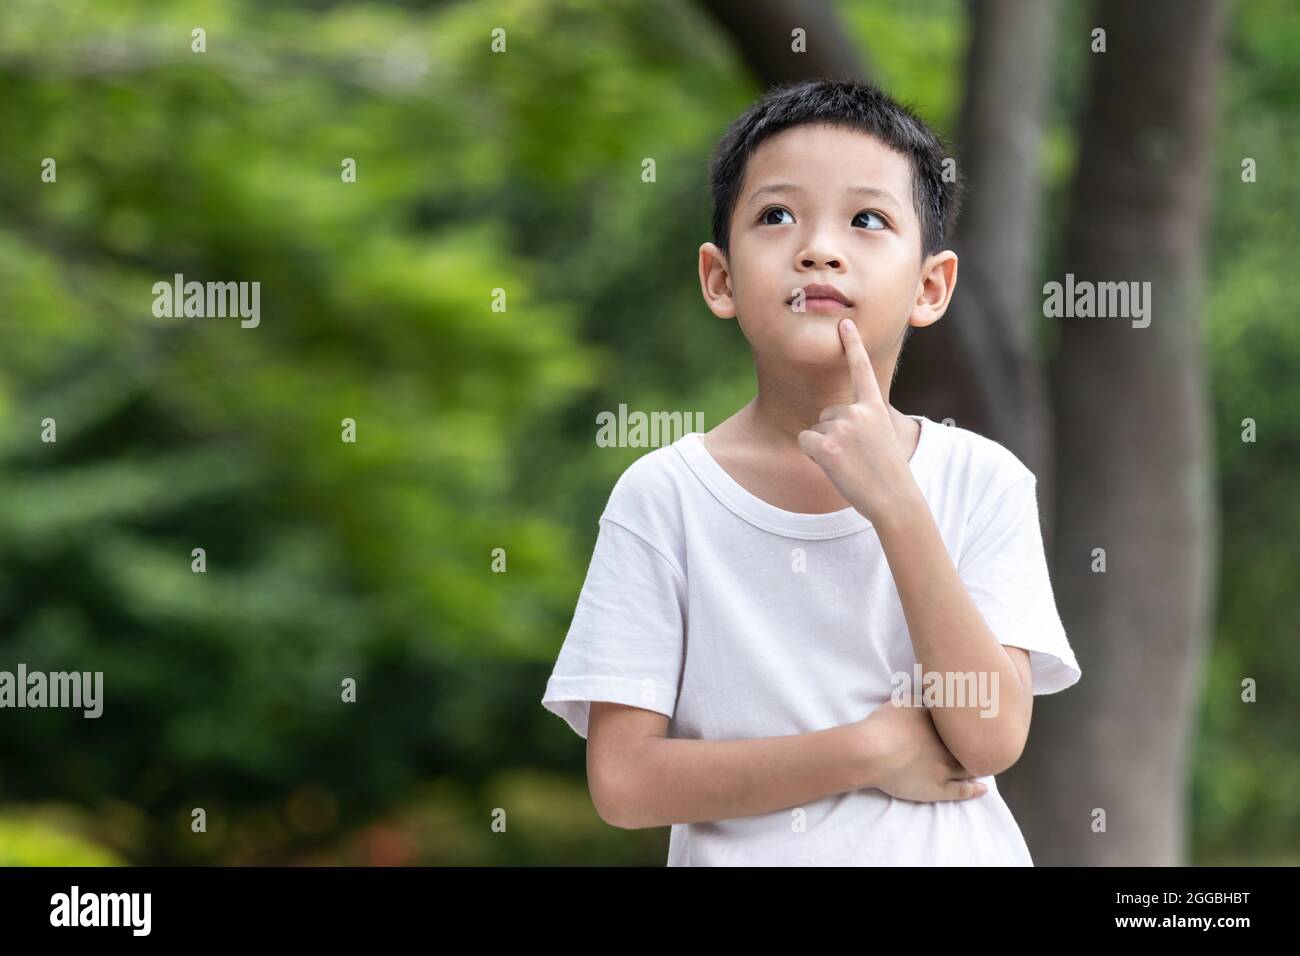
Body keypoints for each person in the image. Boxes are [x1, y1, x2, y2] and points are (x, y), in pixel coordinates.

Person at [541, 78, 1082, 865]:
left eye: (867, 219)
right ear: (720, 279)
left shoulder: (983, 480)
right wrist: (865, 751)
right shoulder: (665, 497)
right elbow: (624, 782)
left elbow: (991, 735)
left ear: (930, 287)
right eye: (776, 215)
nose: (818, 247)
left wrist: (897, 505)